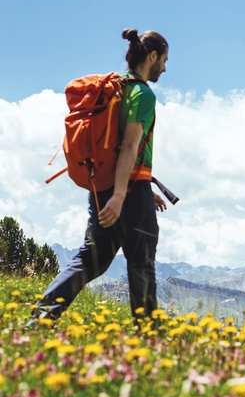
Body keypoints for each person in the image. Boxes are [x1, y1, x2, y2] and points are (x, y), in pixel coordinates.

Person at [31, 28, 169, 323]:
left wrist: (136, 188)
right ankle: (148, 335)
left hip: (102, 187)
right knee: (141, 263)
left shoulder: (115, 89)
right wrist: (122, 195)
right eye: (164, 60)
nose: (165, 68)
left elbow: (115, 150)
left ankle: (39, 318)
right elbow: (129, 146)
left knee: (91, 259)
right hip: (127, 193)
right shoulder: (142, 94)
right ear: (152, 56)